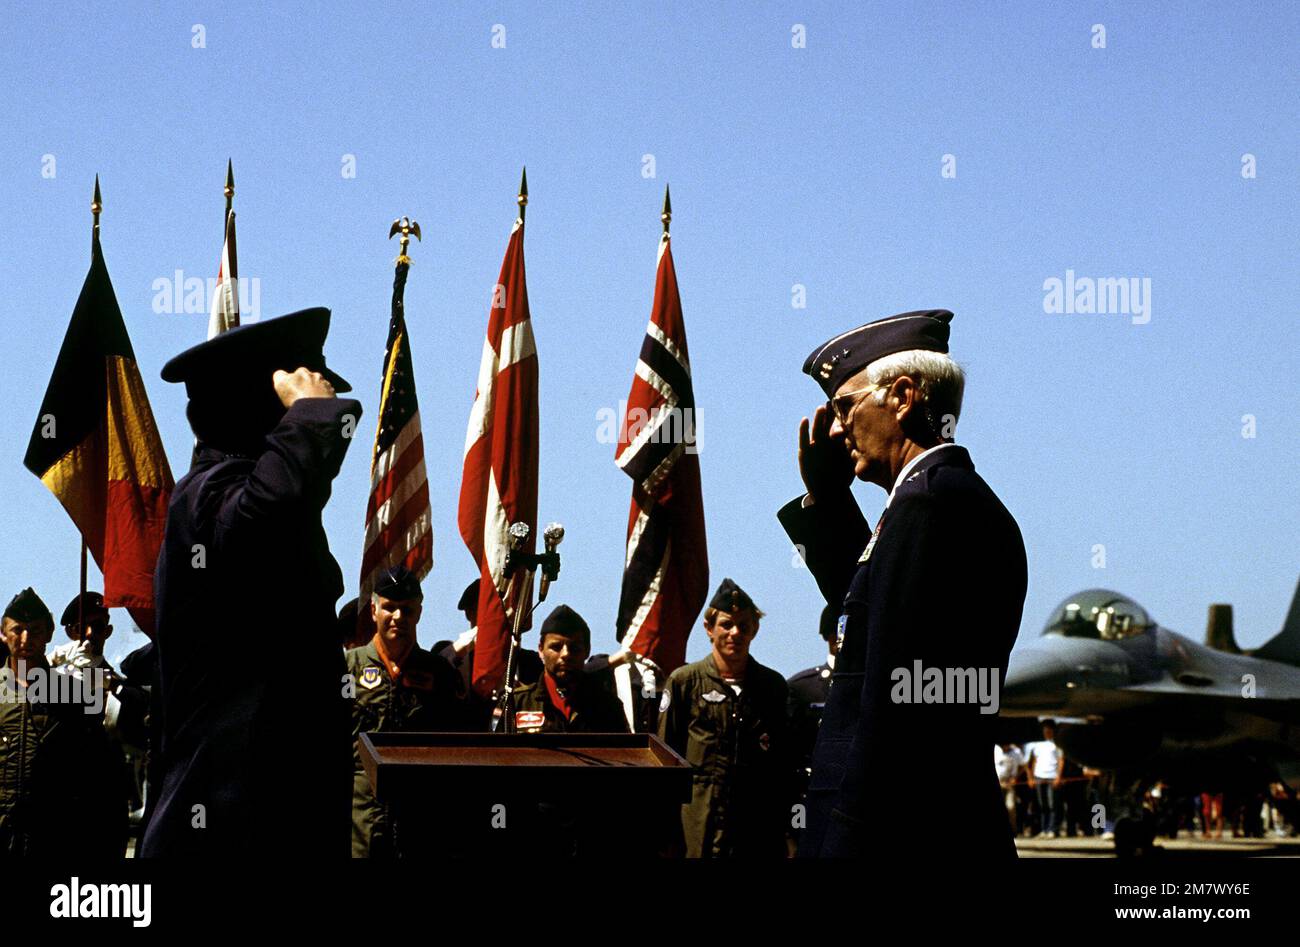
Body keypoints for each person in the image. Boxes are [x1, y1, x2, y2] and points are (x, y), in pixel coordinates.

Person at [778, 309, 1028, 859]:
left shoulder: (930, 506)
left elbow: (895, 708)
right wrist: (828, 500)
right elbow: (869, 621)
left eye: (845, 407)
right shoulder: (933, 501)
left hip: (898, 834)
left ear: (904, 396)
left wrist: (846, 841)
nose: (838, 427)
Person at [141, 307, 361, 857]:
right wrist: (309, 418)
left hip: (275, 814)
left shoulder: (240, 492)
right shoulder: (209, 494)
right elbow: (269, 510)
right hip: (226, 826)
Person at [657, 579, 789, 858]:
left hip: (753, 832)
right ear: (709, 628)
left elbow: (782, 765)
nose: (735, 633)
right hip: (697, 827)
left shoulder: (772, 687)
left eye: (744, 625)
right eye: (726, 625)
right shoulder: (685, 683)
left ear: (755, 630)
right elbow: (665, 762)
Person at [346, 566, 470, 858]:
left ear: (419, 612)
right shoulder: (348, 669)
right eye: (389, 608)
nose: (398, 618)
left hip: (420, 820)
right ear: (374, 611)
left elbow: (455, 749)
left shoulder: (439, 673)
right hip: (358, 821)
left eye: (407, 609)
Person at [0, 589, 113, 855]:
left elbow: (100, 780)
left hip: (53, 840)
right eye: (17, 630)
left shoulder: (76, 697)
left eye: (36, 630)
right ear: (4, 634)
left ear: (50, 635)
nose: (26, 639)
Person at [511, 605, 629, 733]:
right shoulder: (516, 703)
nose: (565, 654)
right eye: (556, 647)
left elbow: (626, 752)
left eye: (574, 648)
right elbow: (495, 752)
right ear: (540, 649)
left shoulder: (608, 707)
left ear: (587, 650)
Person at [1024, 721, 1064, 838]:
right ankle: (1044, 829)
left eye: (1049, 730)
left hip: (1051, 777)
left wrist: (1058, 776)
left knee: (1052, 805)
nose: (1047, 732)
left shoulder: (1057, 744)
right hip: (1039, 777)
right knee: (1042, 805)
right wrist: (1030, 778)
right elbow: (1034, 761)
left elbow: (1061, 760)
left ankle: (1052, 829)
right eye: (1045, 730)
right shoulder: (1037, 744)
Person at [994, 742, 1025, 835]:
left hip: (1009, 783)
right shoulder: (996, 749)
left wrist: (1015, 778)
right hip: (999, 780)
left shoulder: (1017, 752)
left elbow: (1023, 766)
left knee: (1010, 807)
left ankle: (1013, 830)